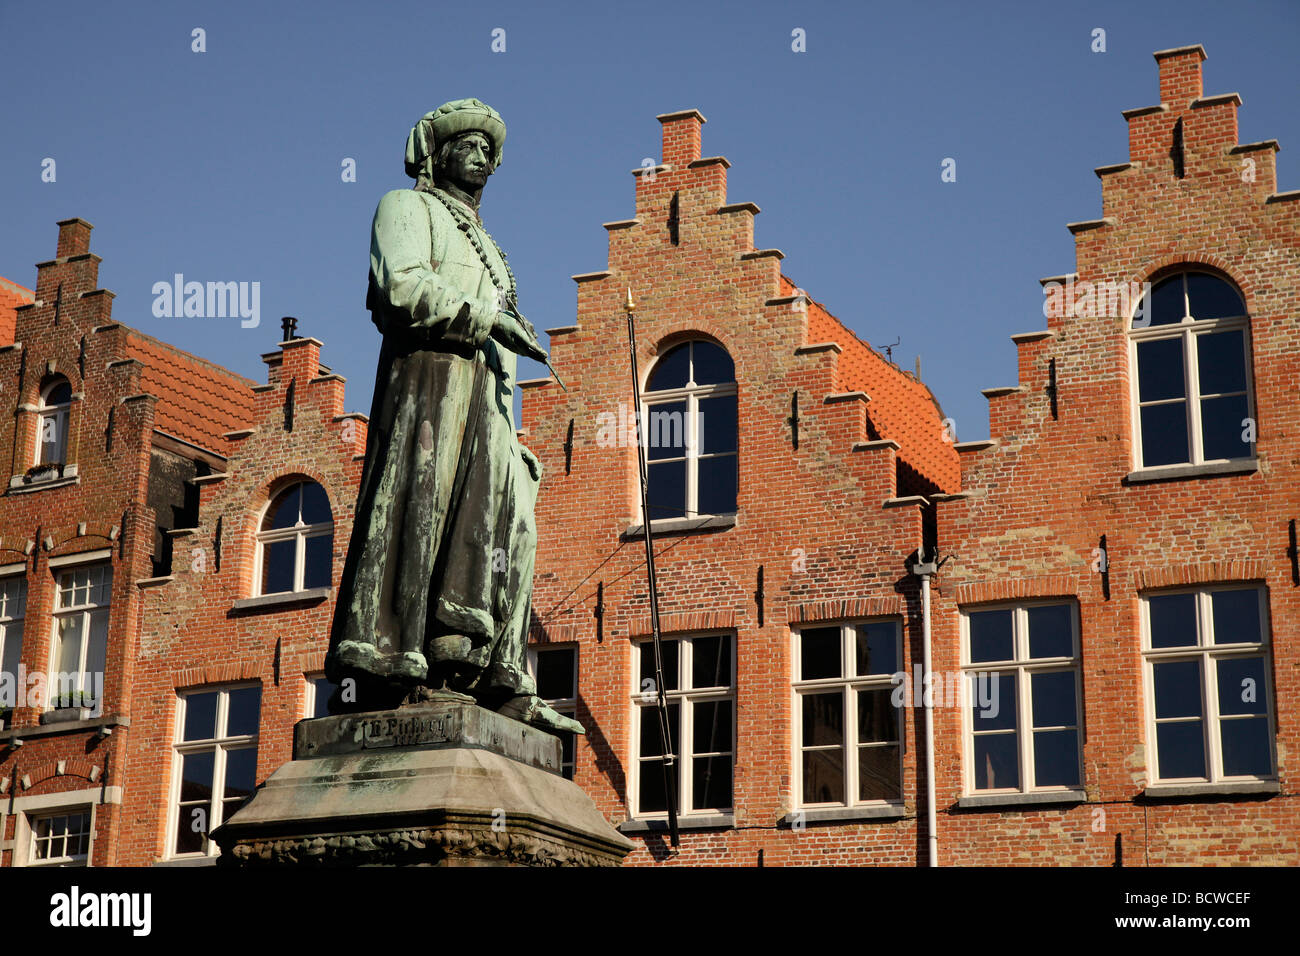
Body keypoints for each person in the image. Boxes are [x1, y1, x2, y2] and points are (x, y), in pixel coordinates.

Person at [325, 98, 581, 735]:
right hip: (431, 382)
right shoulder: (405, 207)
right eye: (469, 143)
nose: (483, 157)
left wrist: (509, 429)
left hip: (487, 406)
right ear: (437, 152)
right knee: (422, 511)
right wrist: (486, 319)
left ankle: (493, 674)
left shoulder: (490, 243)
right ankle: (401, 663)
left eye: (491, 150)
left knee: (512, 529)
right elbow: (401, 288)